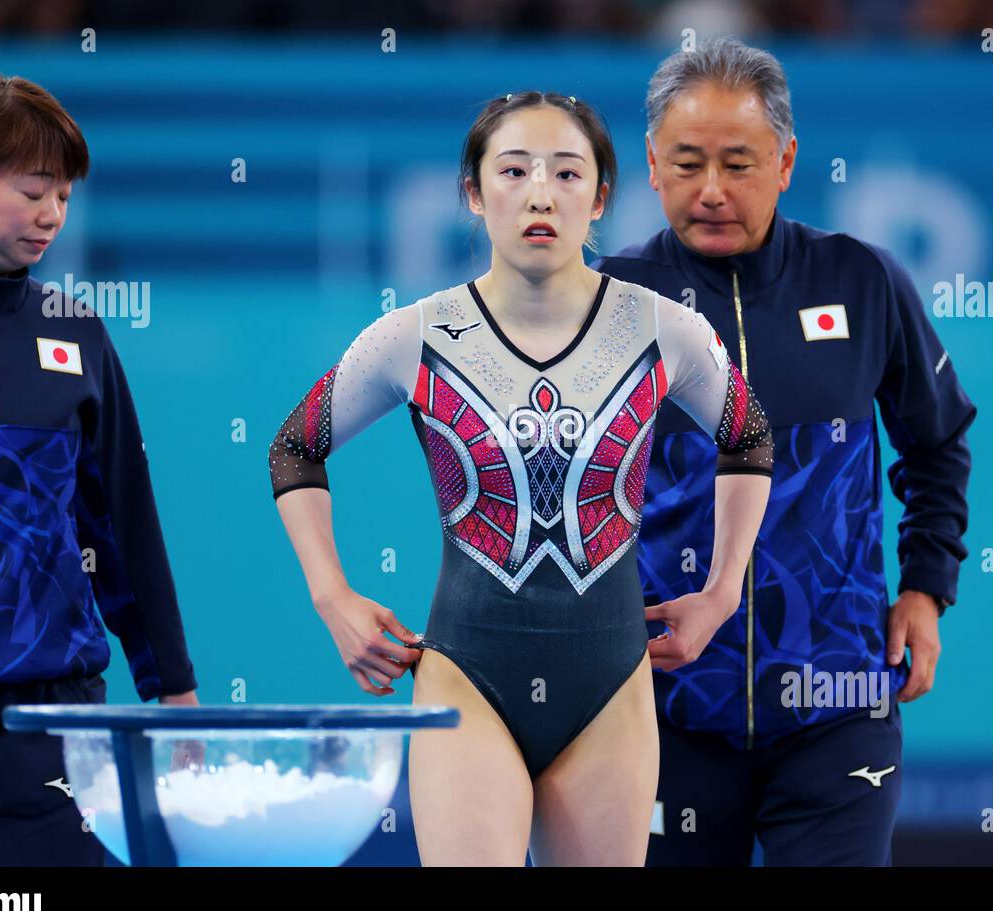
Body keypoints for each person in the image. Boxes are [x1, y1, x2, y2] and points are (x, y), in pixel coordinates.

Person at [270, 91, 774, 866]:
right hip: (467, 676)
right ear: (474, 192)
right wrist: (330, 595)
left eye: (568, 174)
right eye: (513, 171)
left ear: (602, 195)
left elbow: (748, 437)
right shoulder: (415, 335)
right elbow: (296, 446)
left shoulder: (661, 328)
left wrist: (722, 590)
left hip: (609, 685)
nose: (541, 193)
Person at [593, 38, 977, 865]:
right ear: (652, 166)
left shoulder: (864, 282)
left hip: (838, 707)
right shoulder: (607, 306)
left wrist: (926, 587)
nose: (712, 191)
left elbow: (935, 442)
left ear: (786, 161)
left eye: (739, 163)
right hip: (663, 712)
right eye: (688, 164)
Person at [0, 73, 199, 866]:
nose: (53, 215)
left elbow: (124, 522)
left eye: (63, 196)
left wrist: (173, 686)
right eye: (33, 192)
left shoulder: (79, 336)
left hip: (50, 707)